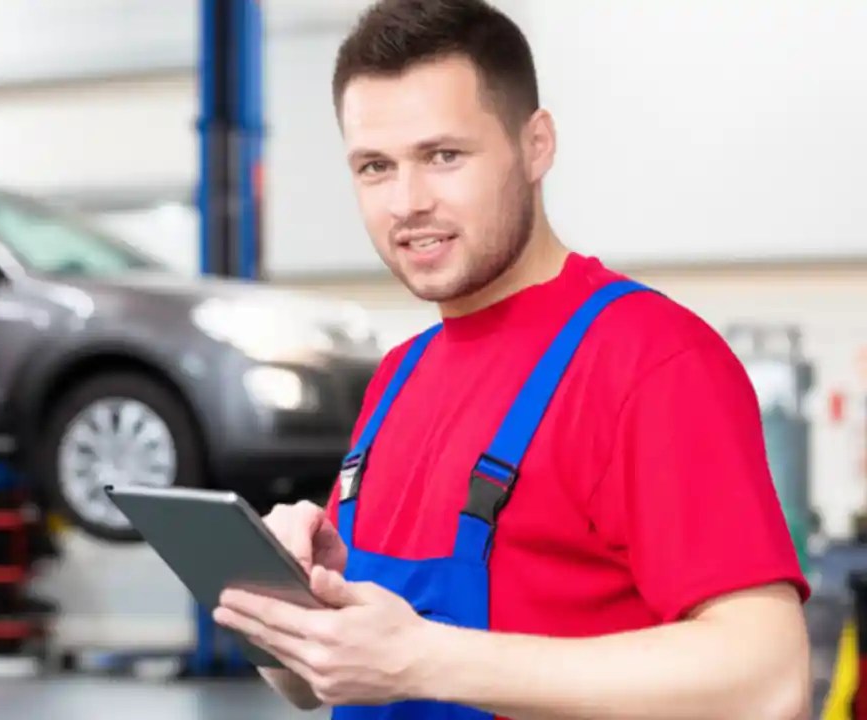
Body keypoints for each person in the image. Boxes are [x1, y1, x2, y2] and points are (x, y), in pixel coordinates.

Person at [212, 1, 813, 718]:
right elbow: (314, 689)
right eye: (375, 167)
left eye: (444, 156)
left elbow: (768, 682)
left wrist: (428, 657)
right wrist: (286, 606)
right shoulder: (399, 377)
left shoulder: (649, 361)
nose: (408, 202)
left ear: (536, 145)